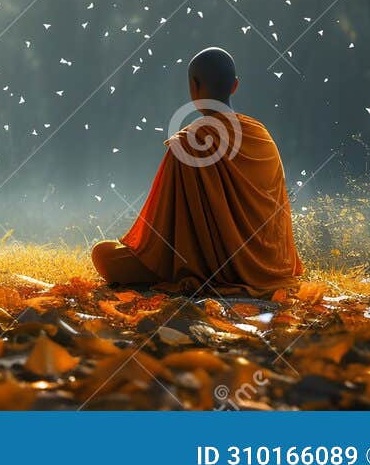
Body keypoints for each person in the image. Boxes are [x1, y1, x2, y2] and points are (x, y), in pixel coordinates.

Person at [92, 47, 303, 295]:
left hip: (205, 270)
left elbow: (160, 235)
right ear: (235, 86)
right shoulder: (262, 137)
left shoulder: (188, 144)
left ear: (193, 86)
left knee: (102, 254)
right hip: (269, 269)